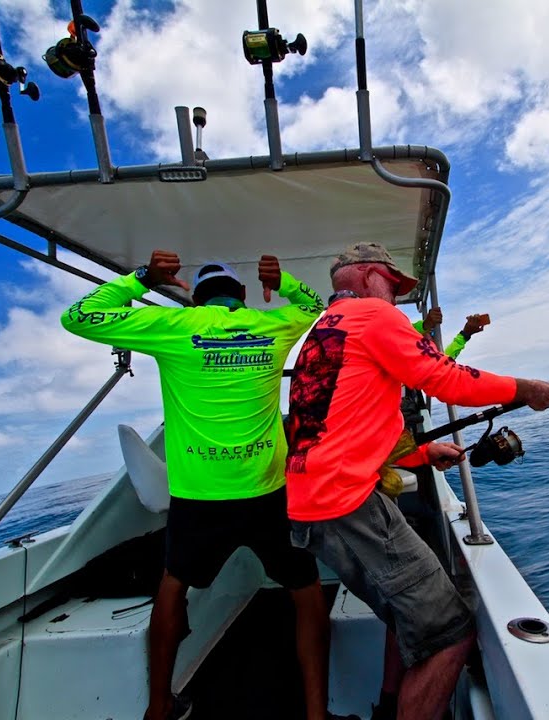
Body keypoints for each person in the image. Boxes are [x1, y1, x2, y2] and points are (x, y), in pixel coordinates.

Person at [62, 251, 352, 720]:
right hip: (268, 492)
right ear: (240, 295)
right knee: (304, 587)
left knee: (173, 587)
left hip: (198, 499)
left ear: (192, 298)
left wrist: (139, 280)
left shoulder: (172, 327)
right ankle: (317, 714)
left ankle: (159, 708)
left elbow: (78, 317)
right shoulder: (272, 326)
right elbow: (320, 307)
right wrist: (287, 283)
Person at [283, 242, 549, 720]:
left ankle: (389, 706)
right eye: (392, 284)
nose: (395, 296)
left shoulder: (324, 329)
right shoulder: (374, 315)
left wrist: (418, 450)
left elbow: (336, 423)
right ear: (370, 276)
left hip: (313, 502)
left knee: (409, 620)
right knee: (451, 633)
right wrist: (525, 389)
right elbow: (446, 378)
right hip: (347, 504)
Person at [412, 307, 490, 359]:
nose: (433, 338)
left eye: (433, 334)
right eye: (430, 332)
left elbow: (446, 359)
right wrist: (425, 325)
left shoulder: (435, 362)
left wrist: (465, 334)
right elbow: (407, 330)